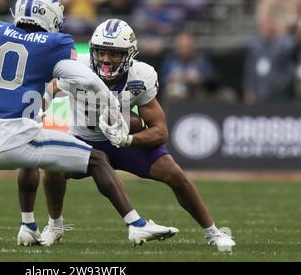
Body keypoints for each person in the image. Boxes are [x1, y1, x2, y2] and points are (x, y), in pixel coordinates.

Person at [0, 0, 178, 246]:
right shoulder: (53, 44)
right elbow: (90, 81)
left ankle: (28, 226)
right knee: (98, 159)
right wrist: (113, 109)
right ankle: (136, 224)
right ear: (50, 14)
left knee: (32, 156)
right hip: (18, 136)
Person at [28, 19, 235, 250]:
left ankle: (212, 232)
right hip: (84, 139)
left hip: (123, 142)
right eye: (102, 52)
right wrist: (39, 109)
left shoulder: (141, 76)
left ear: (129, 54)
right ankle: (55, 226)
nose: (106, 59)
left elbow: (160, 131)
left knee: (173, 173)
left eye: (114, 54)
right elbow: (48, 88)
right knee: (51, 165)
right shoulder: (77, 68)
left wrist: (129, 139)